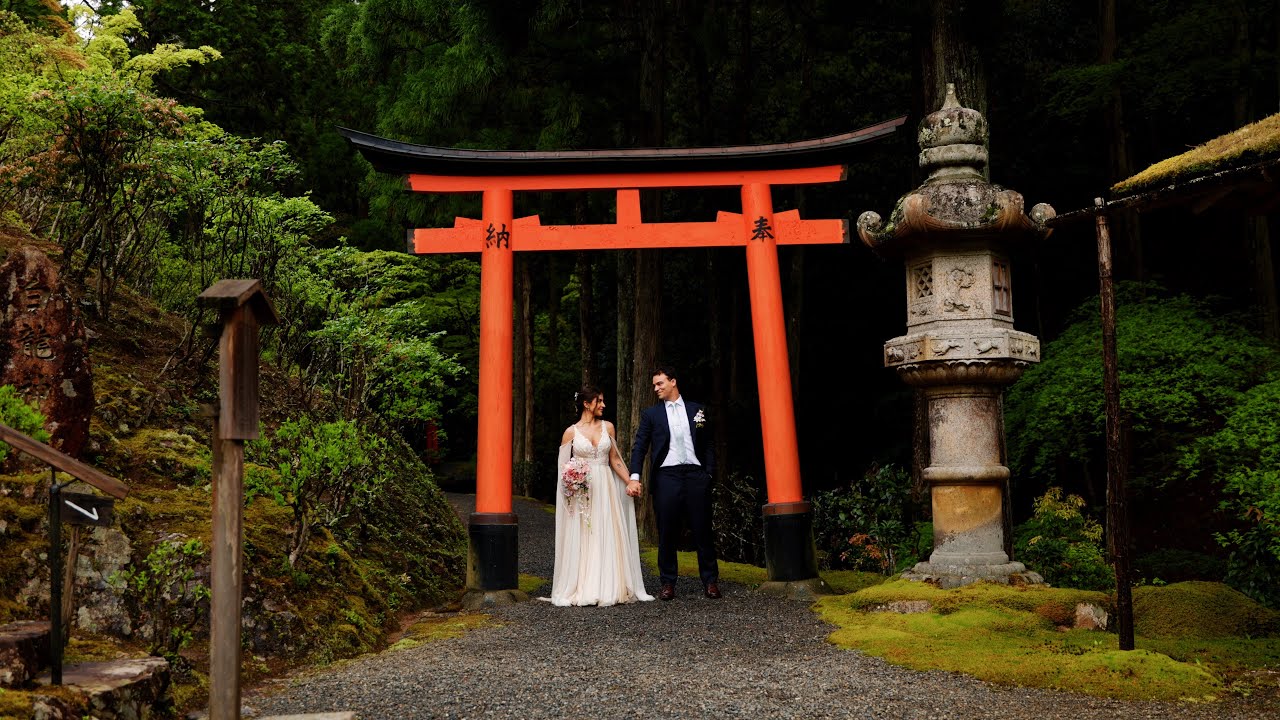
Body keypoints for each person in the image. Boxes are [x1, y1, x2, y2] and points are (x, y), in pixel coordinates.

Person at [548, 385, 653, 606]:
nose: (604, 405)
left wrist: (631, 481)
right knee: (587, 534)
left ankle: (611, 585)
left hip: (605, 487)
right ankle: (585, 585)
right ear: (587, 404)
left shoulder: (608, 427)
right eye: (599, 401)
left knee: (607, 530)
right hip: (583, 491)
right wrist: (572, 480)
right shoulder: (571, 432)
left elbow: (614, 459)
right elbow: (563, 467)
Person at [629, 366, 720, 600]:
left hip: (695, 475)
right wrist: (635, 476)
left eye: (660, 383)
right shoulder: (652, 414)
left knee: (703, 529)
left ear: (673, 382)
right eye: (654, 385)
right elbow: (640, 446)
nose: (656, 388)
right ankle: (667, 583)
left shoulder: (697, 409)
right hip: (667, 476)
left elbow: (709, 443)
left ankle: (710, 581)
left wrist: (708, 473)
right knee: (667, 530)